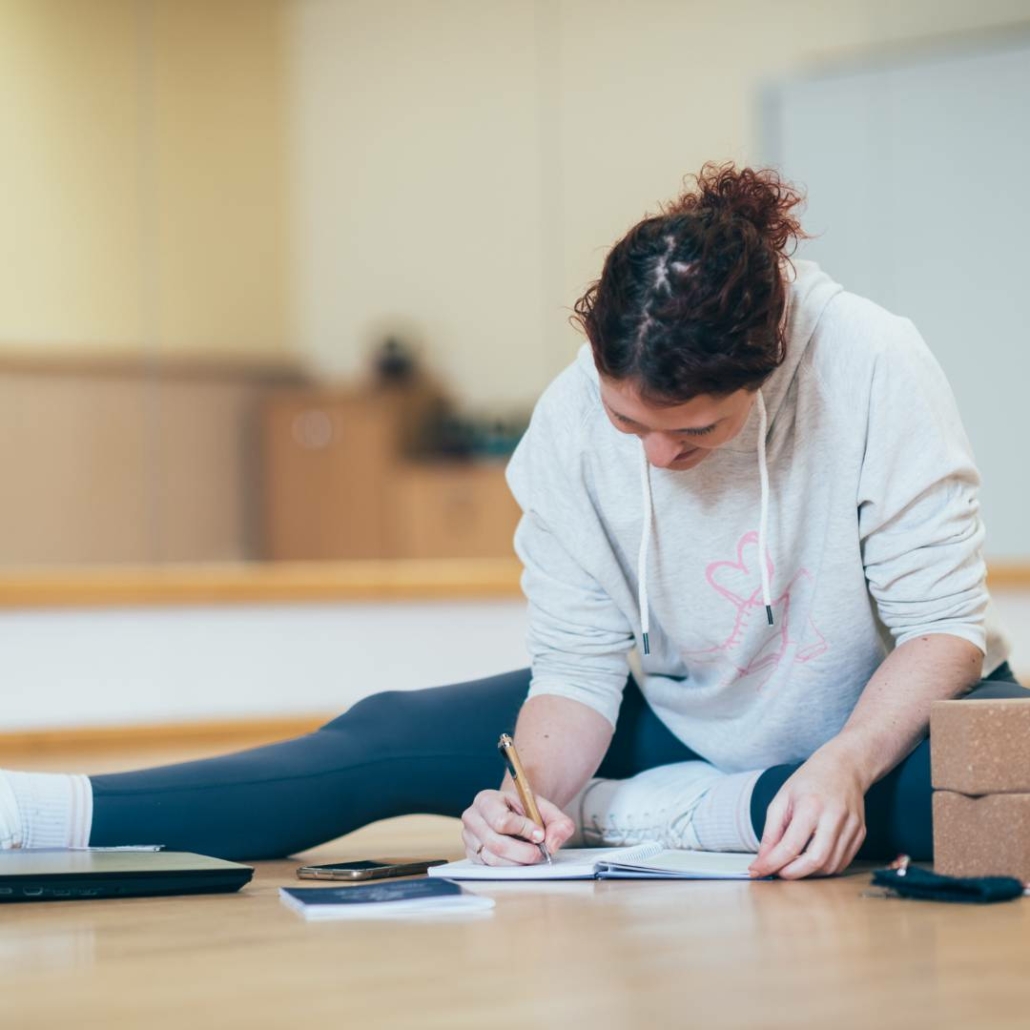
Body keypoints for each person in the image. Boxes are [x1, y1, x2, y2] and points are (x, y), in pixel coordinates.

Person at [0, 163, 1020, 880]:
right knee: (390, 732)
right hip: (683, 715)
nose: (656, 457)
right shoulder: (571, 421)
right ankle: (39, 813)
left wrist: (842, 763)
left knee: (993, 793)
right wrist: (533, 800)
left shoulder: (874, 363)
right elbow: (577, 668)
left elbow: (944, 630)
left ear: (769, 365)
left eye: (695, 431)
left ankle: (664, 811)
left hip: (880, 713)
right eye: (632, 422)